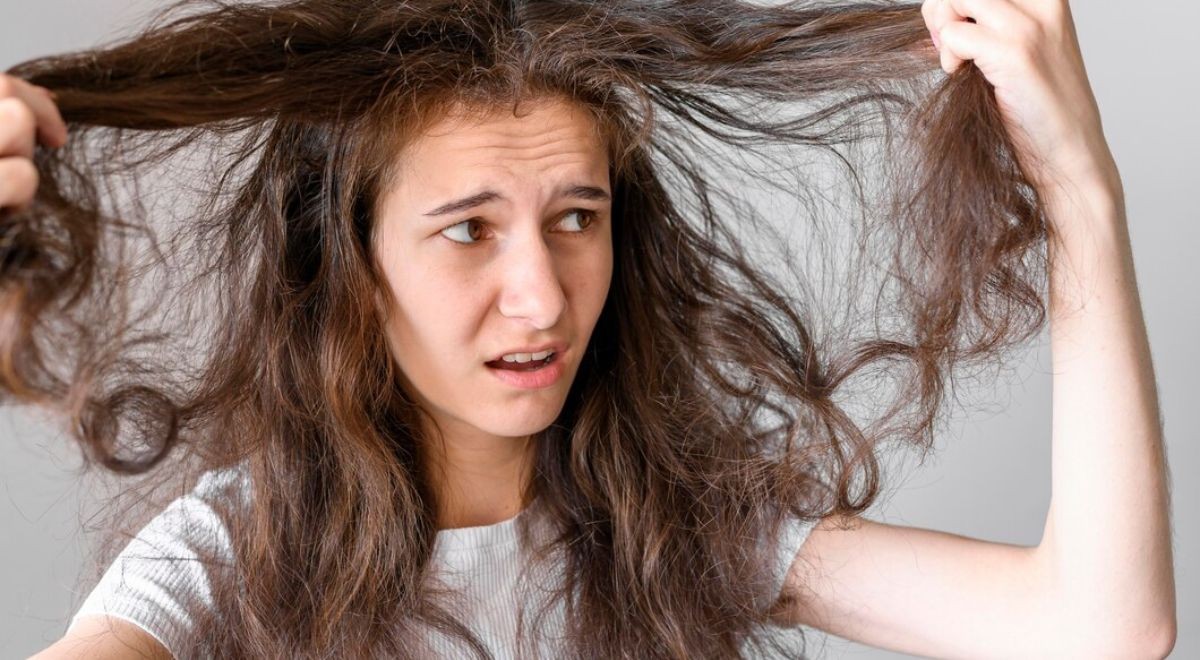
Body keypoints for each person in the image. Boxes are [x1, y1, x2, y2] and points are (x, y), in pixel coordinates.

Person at [1, 0, 1173, 657]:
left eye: (577, 218)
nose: (545, 296)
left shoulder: (674, 528)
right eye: (468, 231)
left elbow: (1098, 629)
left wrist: (1080, 191)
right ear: (350, 269)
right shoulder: (219, 566)